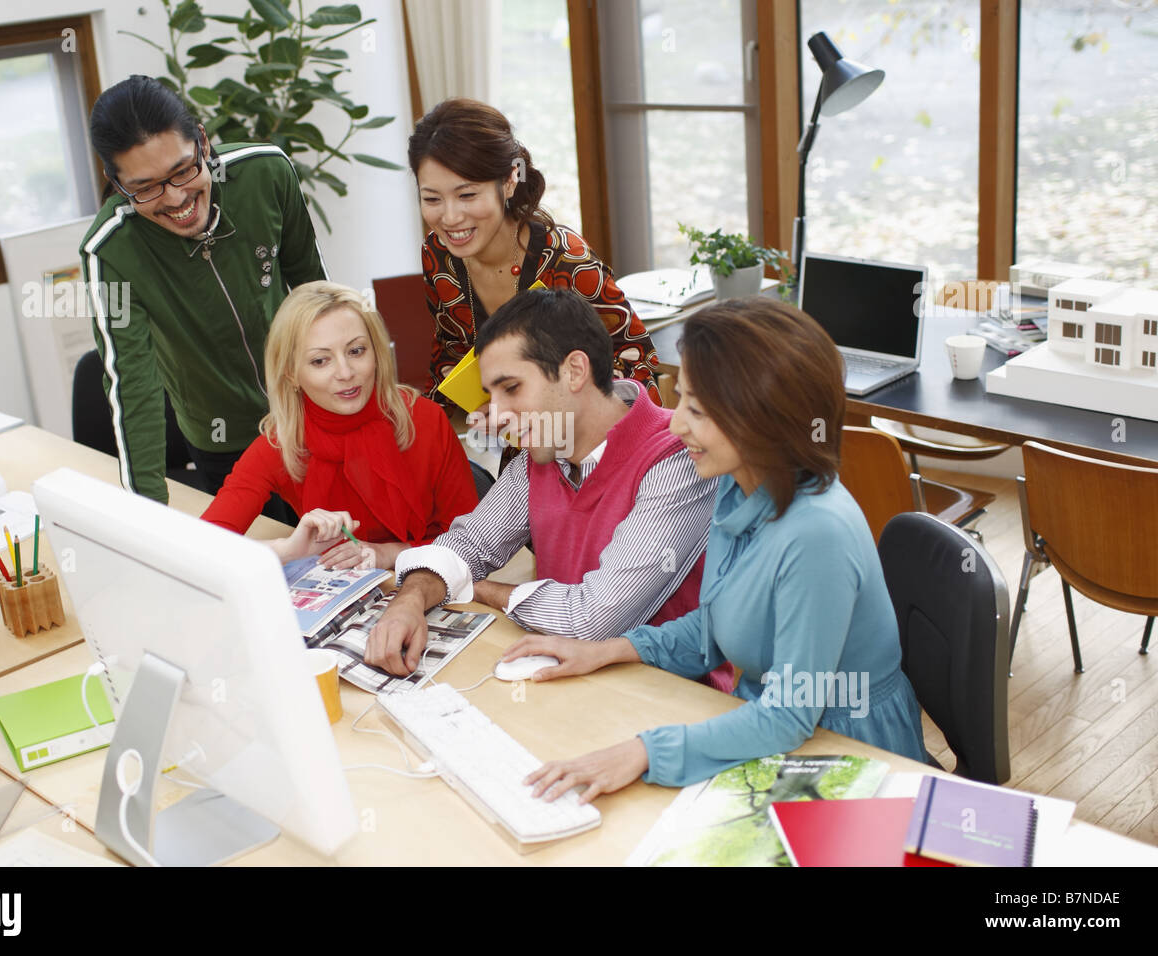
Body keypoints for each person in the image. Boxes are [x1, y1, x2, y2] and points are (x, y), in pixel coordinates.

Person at [502, 298, 928, 802]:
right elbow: (716, 625)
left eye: (697, 410)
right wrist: (604, 650)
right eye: (679, 399)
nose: (676, 425)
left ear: (762, 420)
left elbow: (789, 715)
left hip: (848, 750)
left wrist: (643, 751)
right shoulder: (736, 485)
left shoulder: (818, 534)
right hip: (771, 723)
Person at [364, 289, 717, 678]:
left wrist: (474, 587)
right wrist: (410, 600)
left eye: (511, 388)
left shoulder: (679, 458)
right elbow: (465, 545)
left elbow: (592, 620)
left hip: (668, 698)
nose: (495, 416)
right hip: (566, 681)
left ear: (575, 371)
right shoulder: (543, 451)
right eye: (490, 395)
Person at [81, 74, 327, 506]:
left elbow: (316, 296)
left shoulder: (265, 172)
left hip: (314, 417)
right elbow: (131, 385)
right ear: (117, 184)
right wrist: (148, 518)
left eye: (183, 170)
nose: (175, 199)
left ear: (202, 141)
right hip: (223, 443)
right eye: (145, 188)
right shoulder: (111, 251)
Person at [201, 282, 478, 569]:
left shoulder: (426, 419)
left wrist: (389, 554)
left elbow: (473, 543)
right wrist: (287, 549)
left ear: (377, 353)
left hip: (439, 579)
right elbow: (201, 548)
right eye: (320, 360)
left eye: (356, 351)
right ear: (291, 374)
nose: (345, 373)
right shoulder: (279, 444)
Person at [409, 97, 661, 409]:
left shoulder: (567, 261)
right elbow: (451, 358)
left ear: (511, 179)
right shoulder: (438, 256)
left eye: (467, 195)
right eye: (432, 199)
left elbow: (638, 365)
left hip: (587, 439)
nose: (449, 218)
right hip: (501, 437)